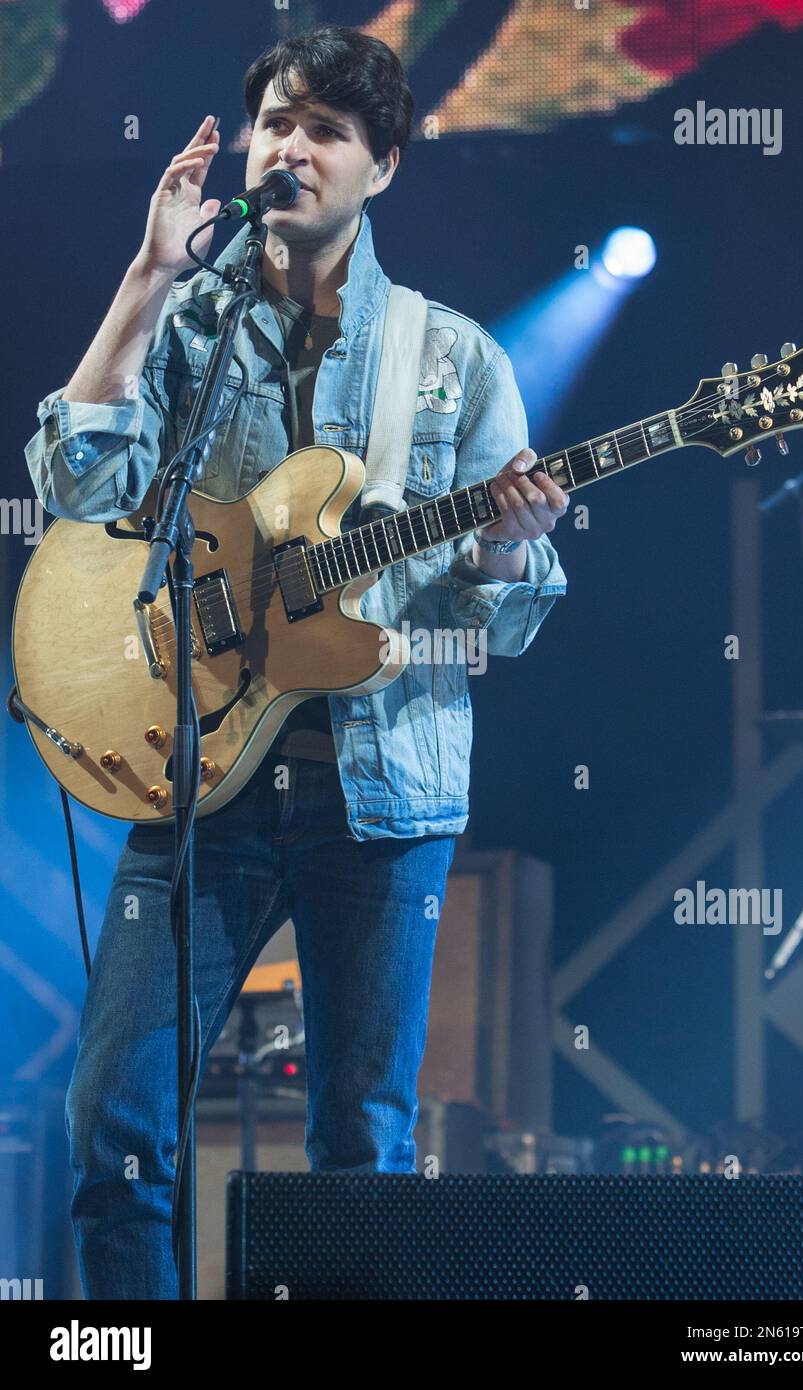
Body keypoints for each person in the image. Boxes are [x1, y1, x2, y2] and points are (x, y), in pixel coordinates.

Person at [24, 25, 569, 1299]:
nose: (290, 146)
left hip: (381, 798)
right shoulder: (185, 322)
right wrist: (147, 275)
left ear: (381, 165)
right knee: (112, 1128)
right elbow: (73, 479)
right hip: (196, 775)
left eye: (324, 129)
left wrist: (503, 550)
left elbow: (513, 613)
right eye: (276, 120)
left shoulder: (454, 359)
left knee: (359, 1155)